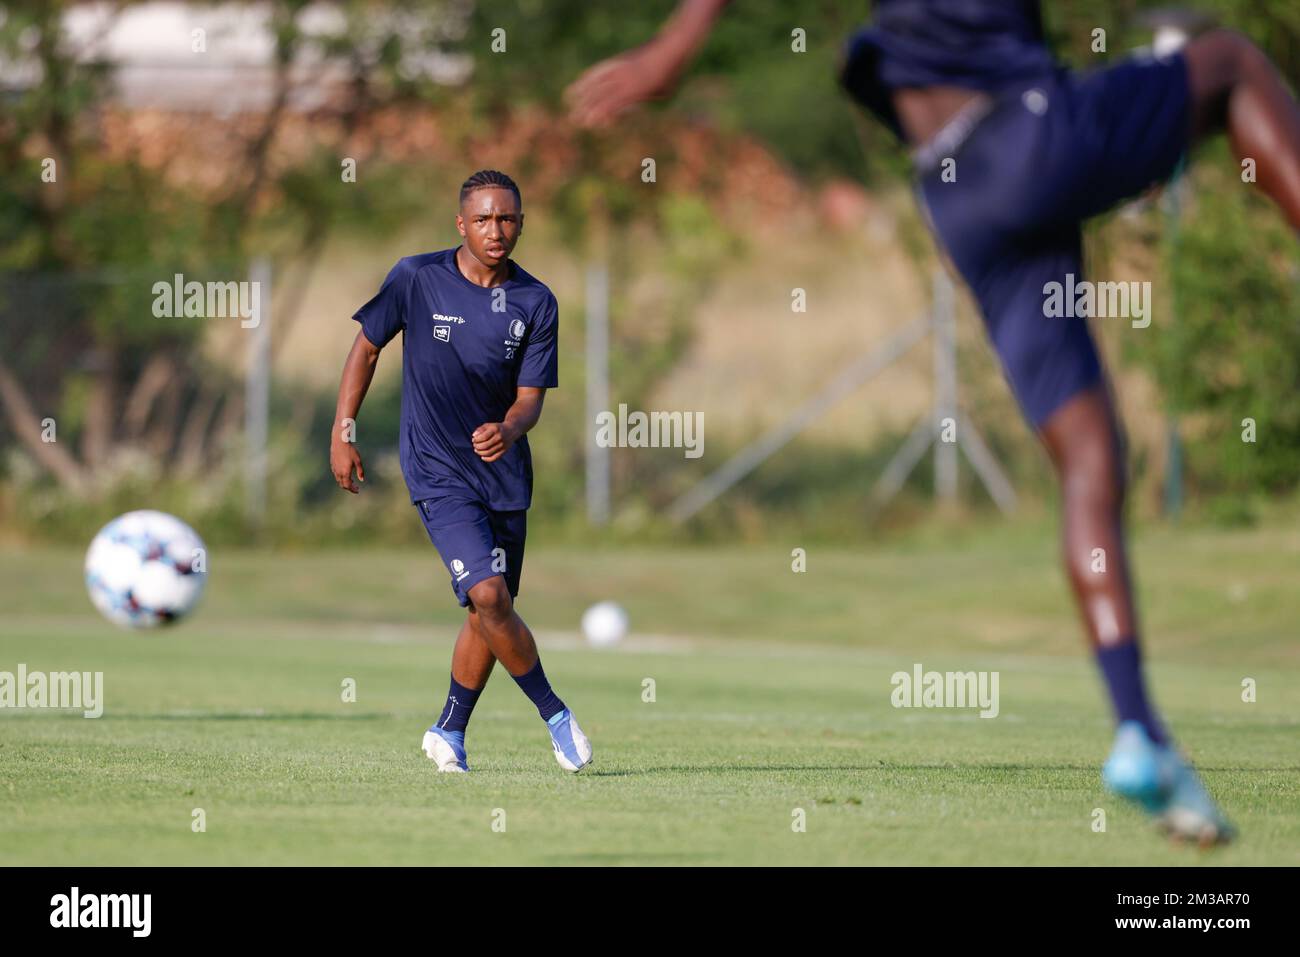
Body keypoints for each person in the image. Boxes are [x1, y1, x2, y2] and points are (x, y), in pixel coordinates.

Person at [567, 0, 1300, 843]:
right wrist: (675, 45)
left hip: (961, 199)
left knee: (1091, 454)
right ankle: (1139, 730)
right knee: (1233, 62)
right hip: (1026, 140)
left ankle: (1142, 733)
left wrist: (673, 53)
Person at [330, 169, 592, 774]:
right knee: (487, 592)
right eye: (483, 220)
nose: (495, 231)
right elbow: (366, 347)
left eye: (506, 220)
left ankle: (449, 730)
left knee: (488, 613)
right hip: (435, 468)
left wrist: (511, 427)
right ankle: (556, 717)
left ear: (520, 223)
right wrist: (343, 430)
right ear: (460, 224)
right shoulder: (417, 278)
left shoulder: (536, 301)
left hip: (503, 476)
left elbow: (531, 398)